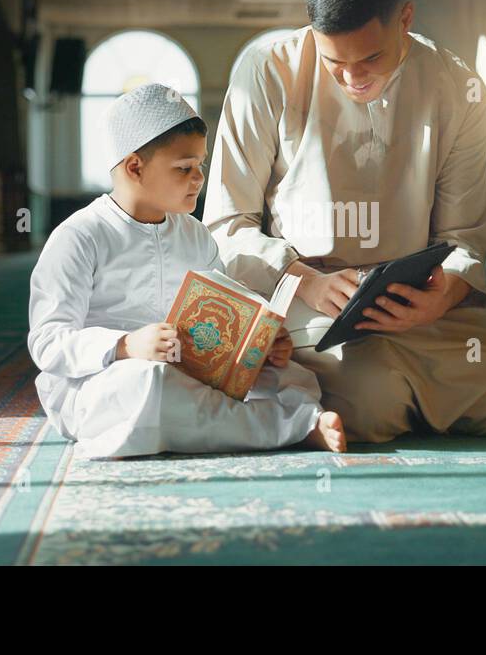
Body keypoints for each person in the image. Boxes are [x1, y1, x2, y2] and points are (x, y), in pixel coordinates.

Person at [203, 0, 486, 444]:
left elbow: (464, 237)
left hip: (418, 303)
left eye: (371, 58)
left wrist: (446, 295)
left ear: (405, 19)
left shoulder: (456, 85)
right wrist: (304, 279)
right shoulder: (266, 72)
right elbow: (226, 225)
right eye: (336, 63)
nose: (355, 78)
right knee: (372, 405)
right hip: (308, 298)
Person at [27, 83, 346, 459]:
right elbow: (47, 342)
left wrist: (258, 344)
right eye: (184, 168)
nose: (199, 178)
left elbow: (224, 311)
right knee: (151, 385)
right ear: (134, 167)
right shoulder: (80, 236)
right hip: (103, 382)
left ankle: (268, 422)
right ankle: (292, 427)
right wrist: (125, 346)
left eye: (201, 165)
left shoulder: (195, 234)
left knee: (290, 372)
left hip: (188, 372)